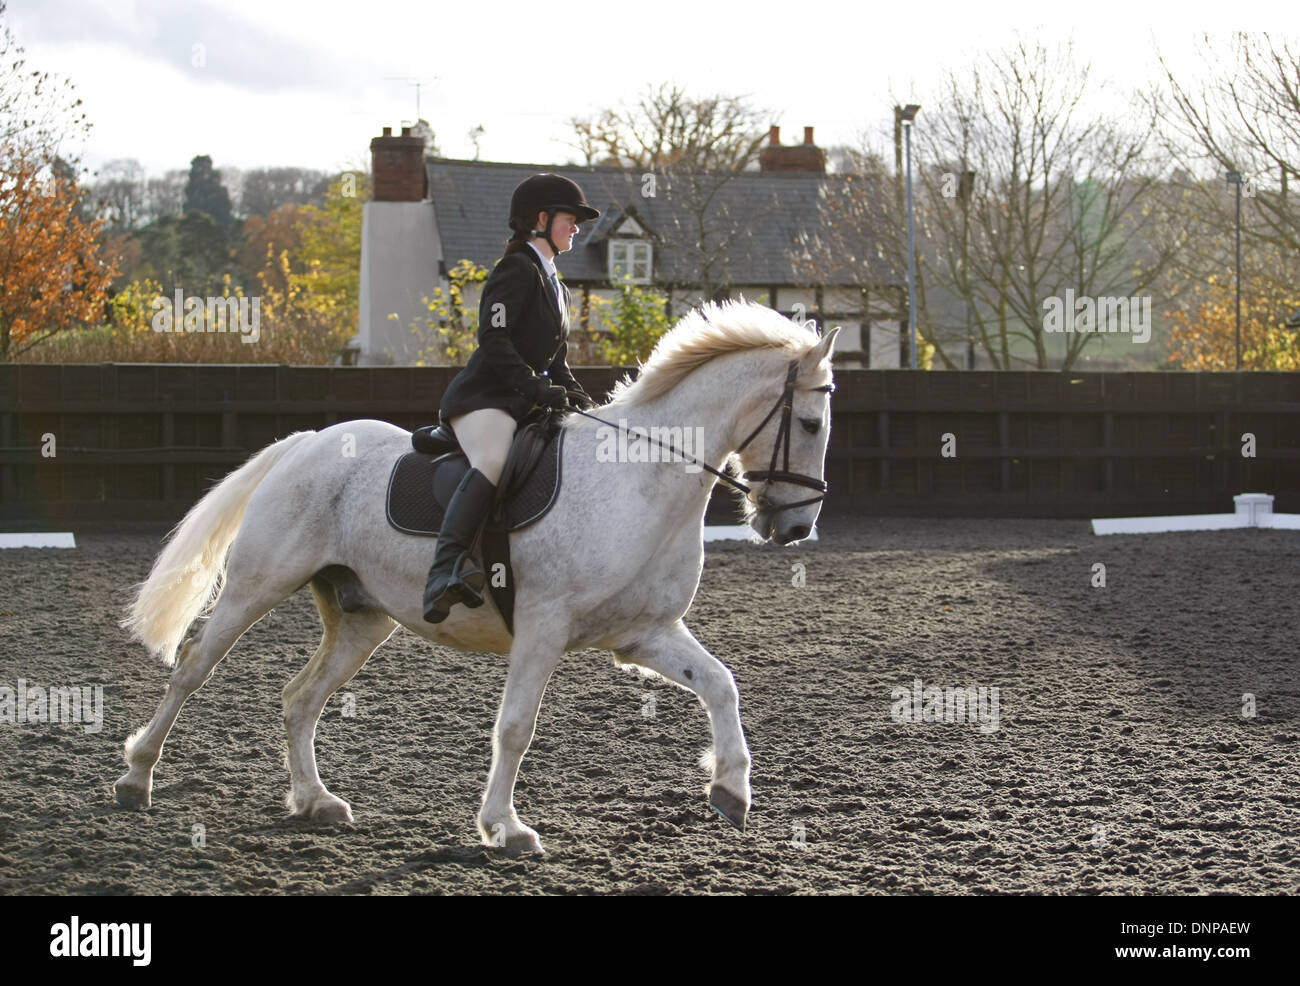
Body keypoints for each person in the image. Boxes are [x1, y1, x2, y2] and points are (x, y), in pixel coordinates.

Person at [423, 173, 599, 623]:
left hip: (522, 399)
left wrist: (579, 399)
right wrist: (534, 385)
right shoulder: (516, 268)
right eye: (570, 218)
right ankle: (442, 572)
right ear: (540, 220)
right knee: (494, 461)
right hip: (485, 398)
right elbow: (494, 338)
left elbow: (555, 359)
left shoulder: (557, 285)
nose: (577, 227)